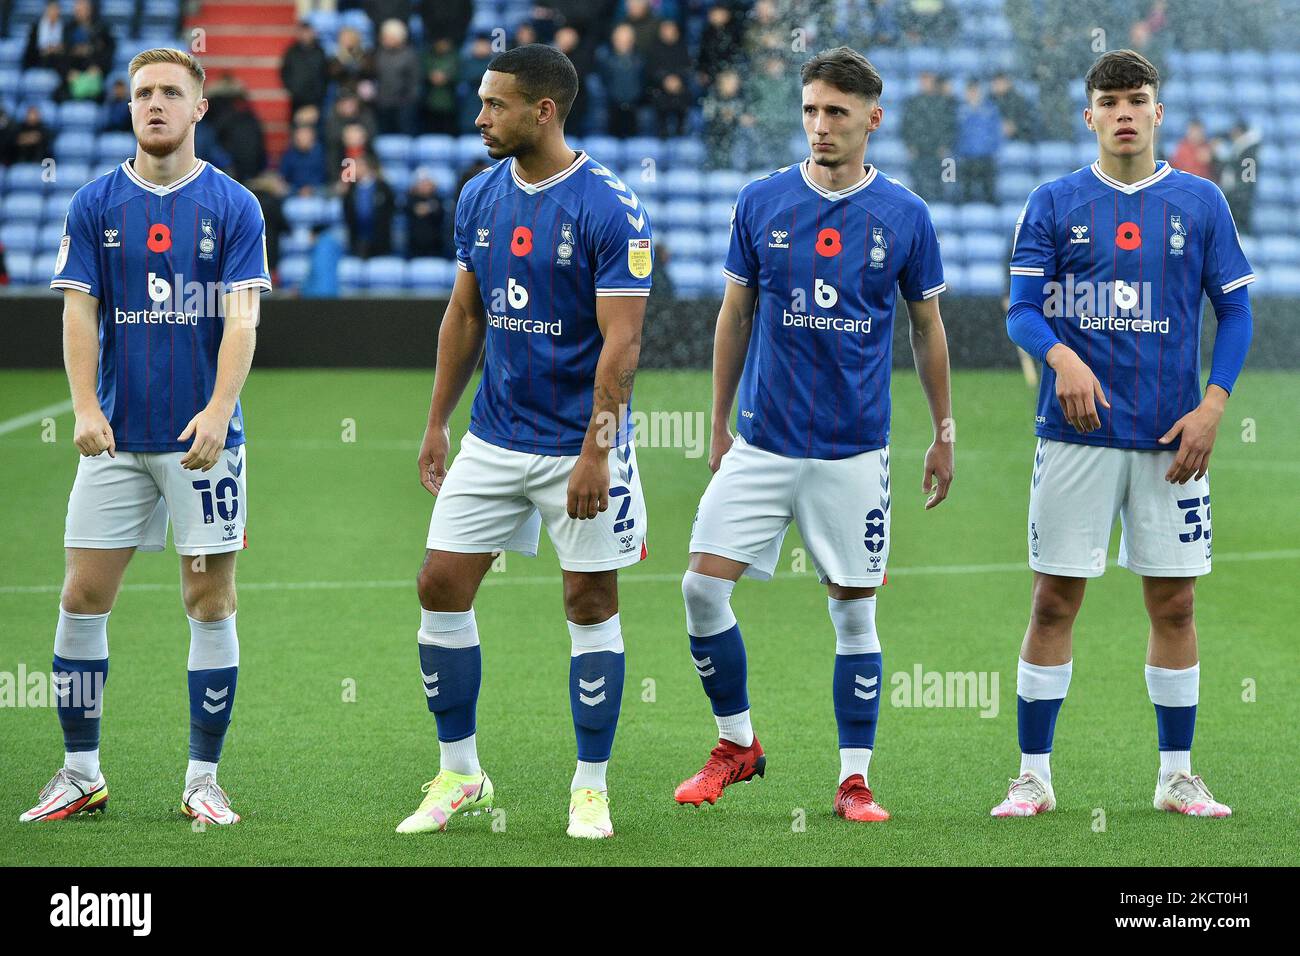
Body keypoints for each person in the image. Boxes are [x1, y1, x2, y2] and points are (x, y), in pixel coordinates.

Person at [673, 47, 953, 823]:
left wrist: (945, 431)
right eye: (810, 111)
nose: (820, 126)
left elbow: (927, 327)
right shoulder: (761, 201)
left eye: (836, 112)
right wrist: (719, 421)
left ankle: (853, 780)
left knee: (855, 613)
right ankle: (737, 745)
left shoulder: (905, 215)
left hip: (854, 452)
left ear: (872, 117)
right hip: (762, 443)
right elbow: (736, 314)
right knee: (700, 588)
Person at [397, 44, 652, 840]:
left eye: (495, 105)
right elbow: (465, 316)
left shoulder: (611, 208)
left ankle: (591, 786)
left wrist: (596, 453)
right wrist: (439, 420)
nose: (479, 117)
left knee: (589, 600)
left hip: (579, 443)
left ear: (544, 111)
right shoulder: (478, 197)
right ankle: (460, 772)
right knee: (439, 585)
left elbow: (624, 345)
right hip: (495, 436)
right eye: (481, 102)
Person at [999, 49, 1252, 820]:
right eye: (1109, 102)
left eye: (1137, 99)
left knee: (1175, 605)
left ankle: (1177, 775)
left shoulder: (1202, 203)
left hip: (1172, 442)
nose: (1124, 113)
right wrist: (1062, 354)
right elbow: (1020, 310)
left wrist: (1214, 405)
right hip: (1075, 439)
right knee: (1053, 602)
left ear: (1157, 112)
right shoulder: (1054, 201)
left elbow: (1236, 311)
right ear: (1090, 116)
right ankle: (1032, 777)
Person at [26, 48, 271, 826]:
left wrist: (219, 408)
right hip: (116, 439)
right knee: (81, 597)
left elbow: (242, 317)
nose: (154, 104)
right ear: (128, 108)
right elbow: (78, 312)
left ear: (199, 107)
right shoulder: (95, 204)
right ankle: (79, 772)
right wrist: (84, 410)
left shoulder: (234, 206)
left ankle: (203, 778)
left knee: (208, 599)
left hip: (203, 441)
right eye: (142, 94)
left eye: (171, 91)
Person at [280, 21, 329, 116]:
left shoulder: (320, 52)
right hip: (297, 99)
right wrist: (292, 90)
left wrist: (320, 92)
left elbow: (325, 74)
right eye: (303, 32)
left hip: (316, 99)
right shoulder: (291, 52)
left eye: (308, 32)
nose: (306, 35)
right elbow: (284, 72)